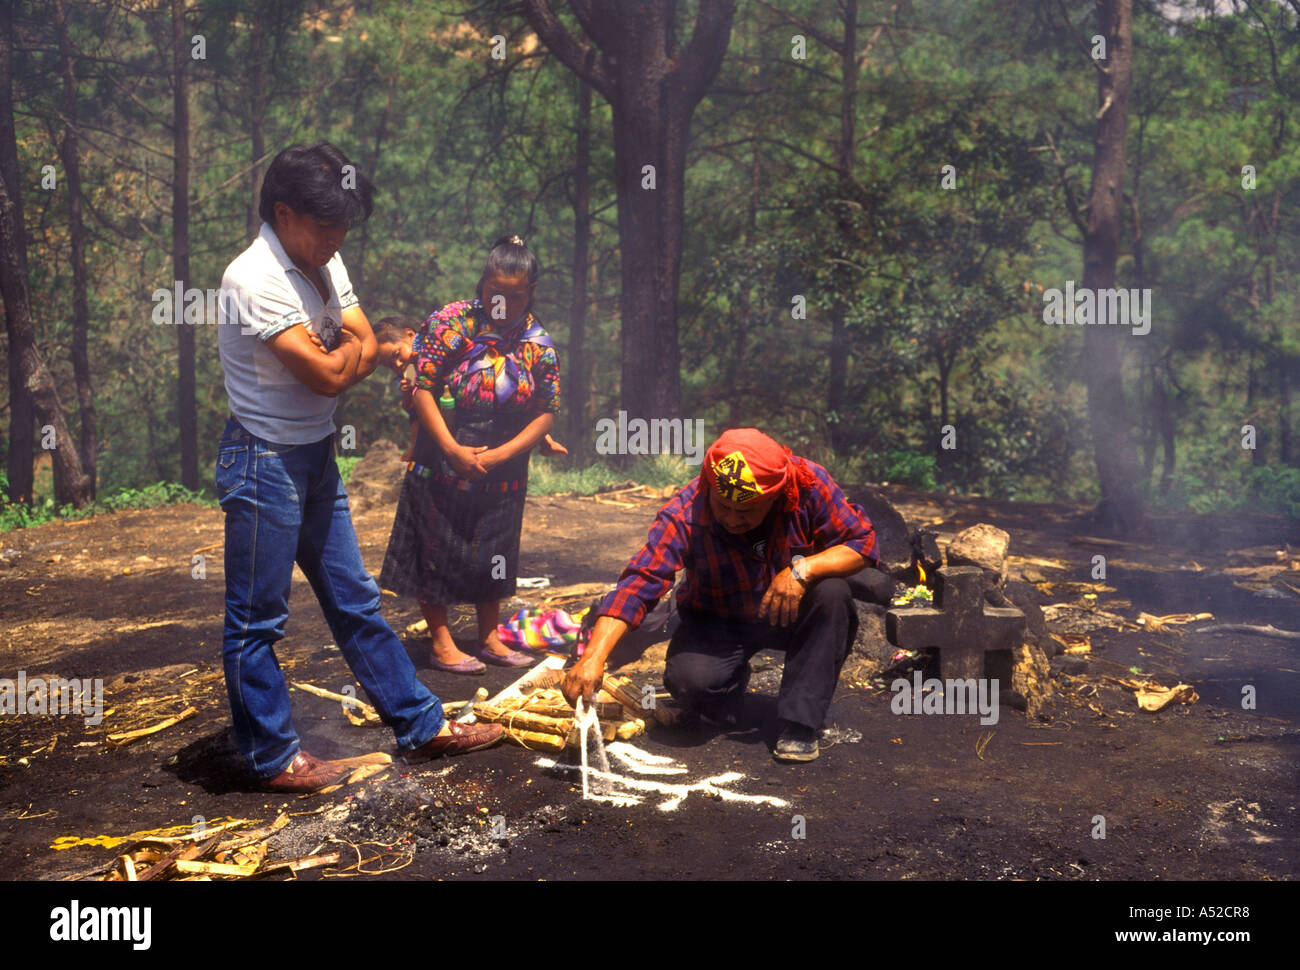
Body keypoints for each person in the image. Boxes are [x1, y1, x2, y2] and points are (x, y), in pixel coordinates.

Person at [215, 142, 502, 793]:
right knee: (258, 617)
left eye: (345, 225)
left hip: (315, 454)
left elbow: (363, 347)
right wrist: (349, 350)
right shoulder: (252, 276)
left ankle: (420, 724)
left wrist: (348, 350)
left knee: (355, 600)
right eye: (326, 225)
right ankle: (272, 757)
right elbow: (328, 374)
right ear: (283, 213)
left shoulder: (323, 256)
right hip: (263, 460)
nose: (338, 239)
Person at [561, 427, 887, 763]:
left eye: (746, 511)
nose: (732, 519)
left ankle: (800, 722)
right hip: (718, 618)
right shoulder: (687, 510)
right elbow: (641, 580)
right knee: (690, 684)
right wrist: (593, 658)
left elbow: (863, 545)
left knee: (832, 593)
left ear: (774, 497)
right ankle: (731, 695)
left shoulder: (806, 484)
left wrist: (802, 571)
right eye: (723, 507)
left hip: (790, 611)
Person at [379, 237, 562, 674]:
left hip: (506, 459)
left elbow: (547, 411)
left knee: (495, 543)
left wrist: (501, 455)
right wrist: (451, 448)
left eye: (515, 296)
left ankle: (489, 637)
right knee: (437, 542)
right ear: (482, 284)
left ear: (531, 291)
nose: (503, 303)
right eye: (494, 292)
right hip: (444, 444)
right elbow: (422, 385)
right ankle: (441, 643)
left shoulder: (538, 341)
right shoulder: (451, 321)